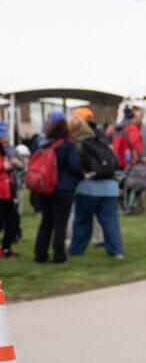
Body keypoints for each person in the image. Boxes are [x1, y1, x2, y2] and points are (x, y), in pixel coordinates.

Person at [32, 113, 84, 265]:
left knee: (46, 221)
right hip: (63, 187)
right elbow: (74, 165)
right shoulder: (68, 144)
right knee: (60, 223)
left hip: (44, 186)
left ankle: (40, 255)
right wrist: (82, 175)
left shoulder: (41, 142)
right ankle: (59, 257)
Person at [67, 118, 124, 259]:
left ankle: (77, 249)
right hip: (110, 188)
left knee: (83, 221)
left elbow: (75, 166)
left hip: (88, 187)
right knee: (110, 221)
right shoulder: (101, 141)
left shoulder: (77, 145)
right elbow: (115, 161)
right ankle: (116, 251)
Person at [0, 134, 22, 258]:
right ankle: (5, 248)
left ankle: (6, 248)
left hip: (6, 190)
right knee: (10, 219)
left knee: (13, 219)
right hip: (2, 191)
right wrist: (5, 166)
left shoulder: (5, 148)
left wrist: (13, 163)